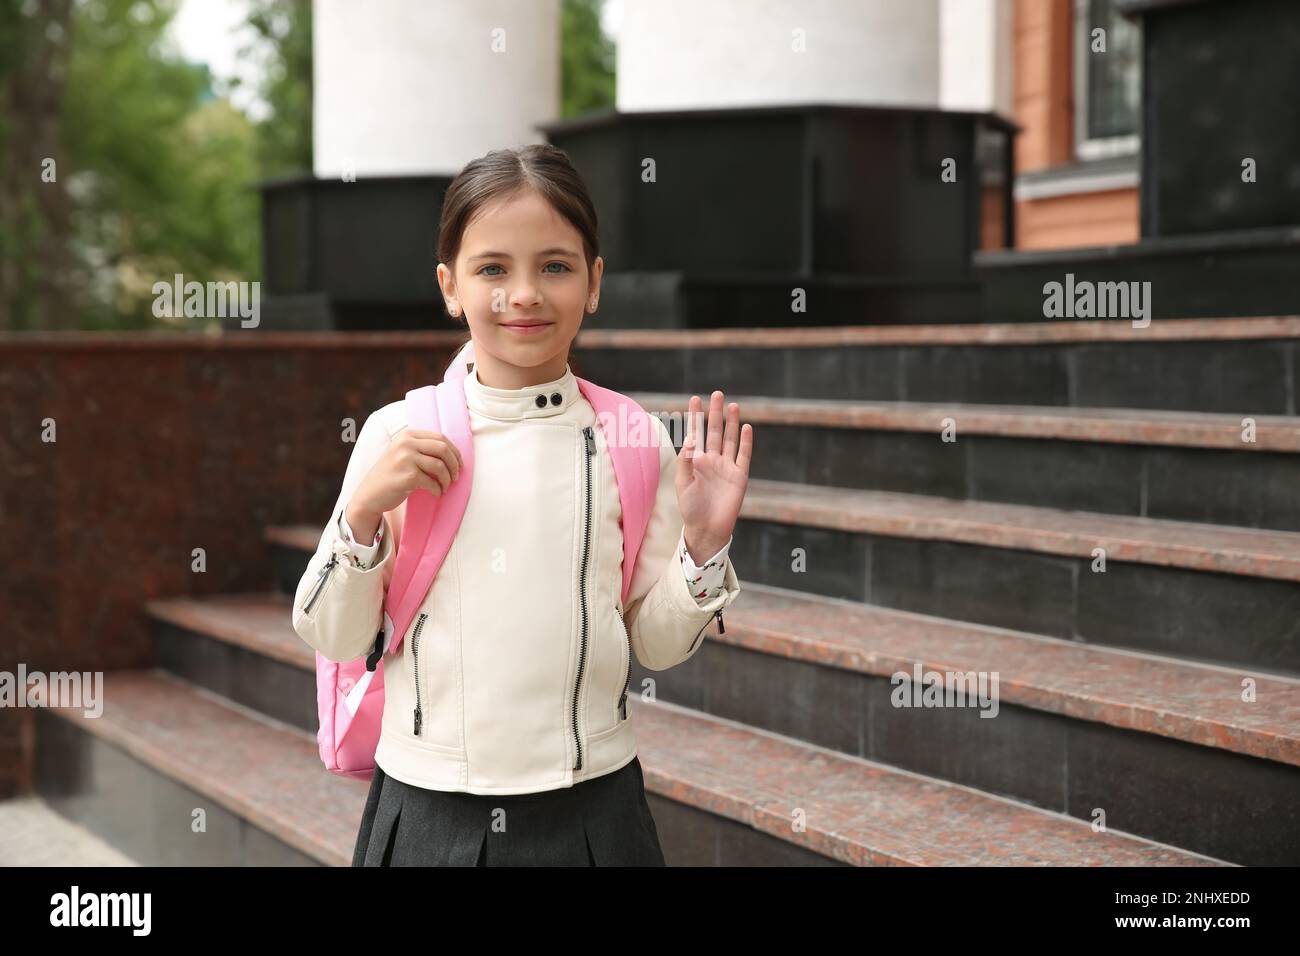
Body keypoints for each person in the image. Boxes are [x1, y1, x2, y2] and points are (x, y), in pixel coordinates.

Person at [292, 144, 752, 866]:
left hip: (594, 804)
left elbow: (654, 644)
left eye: (556, 266)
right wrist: (361, 516)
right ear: (451, 286)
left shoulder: (631, 437)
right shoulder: (397, 434)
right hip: (429, 805)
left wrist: (702, 545)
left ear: (595, 282)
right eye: (493, 269)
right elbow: (337, 636)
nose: (527, 293)